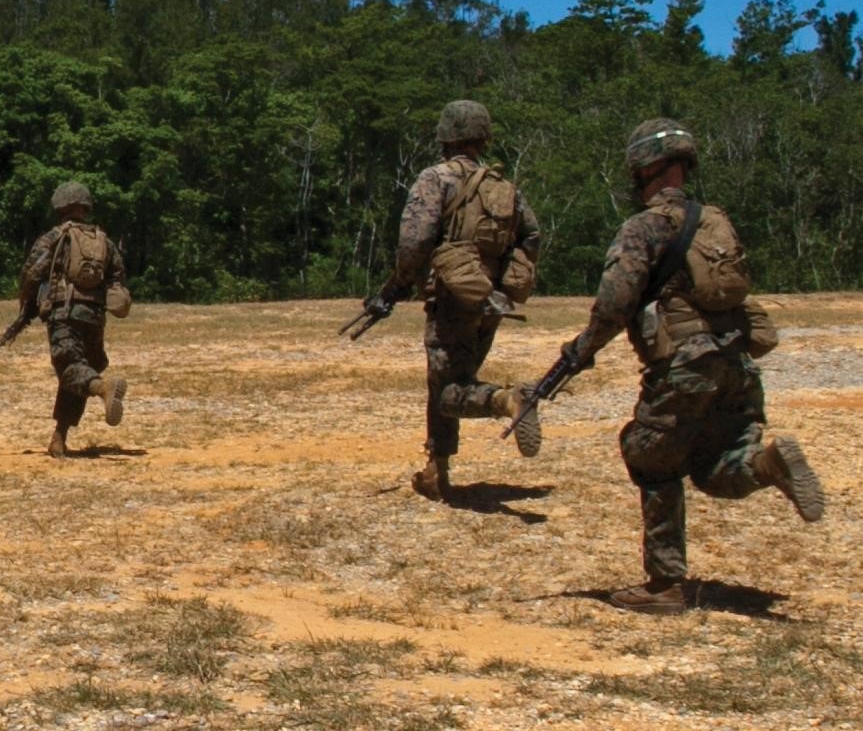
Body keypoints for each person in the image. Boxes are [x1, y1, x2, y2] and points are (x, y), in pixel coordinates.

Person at [522, 118, 824, 612]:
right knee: (714, 468)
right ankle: (766, 464)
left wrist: (580, 351)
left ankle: (664, 585)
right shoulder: (715, 221)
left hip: (684, 366)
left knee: (648, 455)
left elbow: (614, 305)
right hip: (736, 364)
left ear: (643, 169)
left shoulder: (644, 227)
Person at [348, 99, 547, 499]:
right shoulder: (502, 187)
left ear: (444, 137)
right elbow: (532, 234)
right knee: (451, 380)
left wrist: (396, 286)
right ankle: (436, 471)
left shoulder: (435, 179)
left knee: (446, 392)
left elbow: (415, 241)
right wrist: (506, 281)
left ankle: (507, 400)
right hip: (490, 301)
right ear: (482, 138)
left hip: (454, 299)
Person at [16, 180, 131, 456]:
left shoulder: (55, 237)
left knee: (69, 368)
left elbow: (32, 274)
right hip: (95, 317)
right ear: (85, 207)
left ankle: (103, 388)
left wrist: (25, 307)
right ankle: (59, 438)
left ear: (60, 207)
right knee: (78, 371)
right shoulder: (104, 241)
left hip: (64, 313)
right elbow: (118, 279)